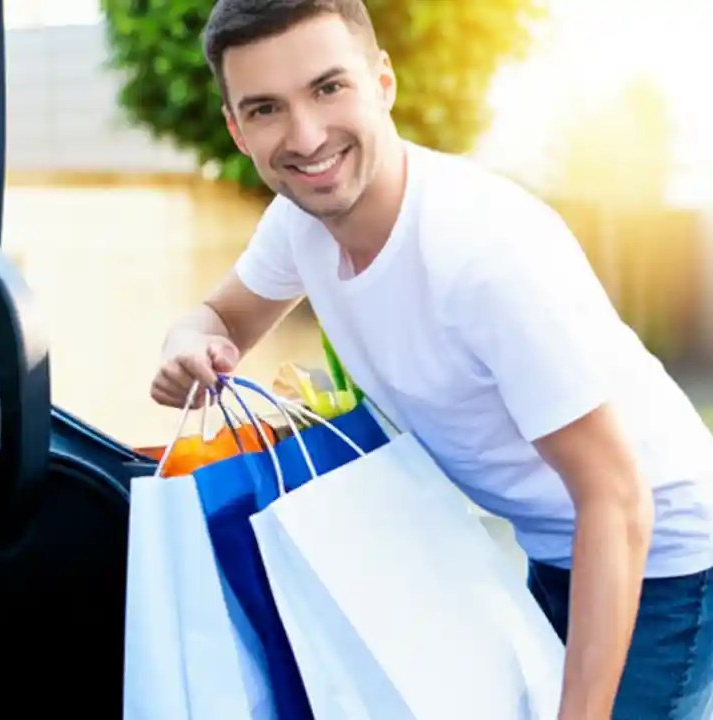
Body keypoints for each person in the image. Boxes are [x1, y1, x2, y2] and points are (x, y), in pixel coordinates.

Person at [149, 0, 713, 717]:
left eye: (329, 88)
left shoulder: (480, 253)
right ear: (237, 129)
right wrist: (186, 341)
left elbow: (617, 497)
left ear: (382, 82)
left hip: (661, 546)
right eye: (266, 108)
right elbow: (219, 317)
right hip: (554, 537)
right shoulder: (299, 225)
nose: (307, 135)